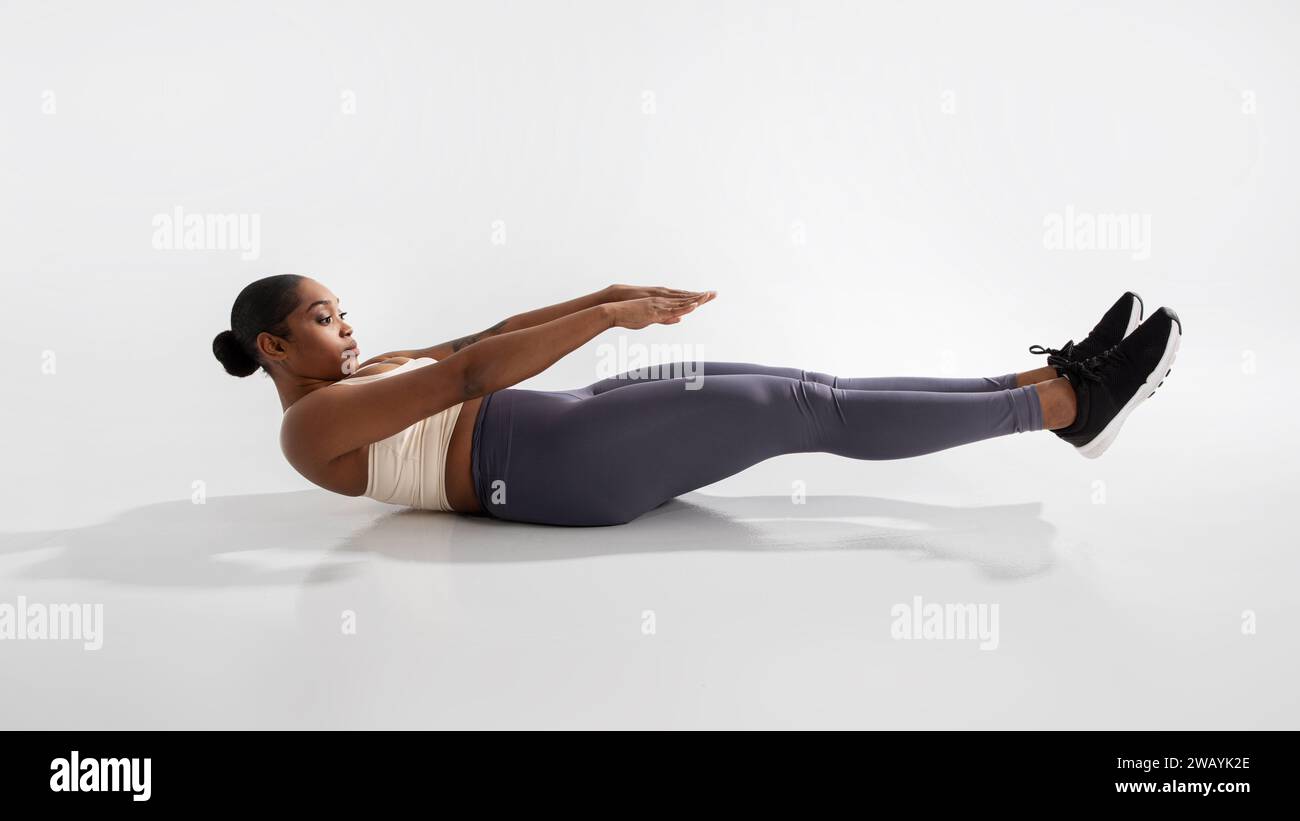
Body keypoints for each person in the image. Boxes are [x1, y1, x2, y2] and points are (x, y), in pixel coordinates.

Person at [213, 275, 1181, 527]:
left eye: (342, 312)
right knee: (811, 415)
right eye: (325, 317)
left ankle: (1047, 382)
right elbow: (470, 380)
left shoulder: (357, 374)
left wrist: (601, 295)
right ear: (274, 345)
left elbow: (477, 338)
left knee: (809, 390)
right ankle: (1066, 409)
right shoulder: (311, 426)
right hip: (557, 467)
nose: (347, 329)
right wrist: (614, 319)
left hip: (574, 420)